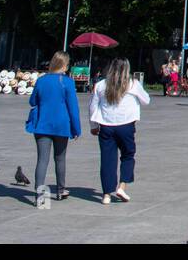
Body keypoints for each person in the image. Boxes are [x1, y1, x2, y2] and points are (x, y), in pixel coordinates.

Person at [89, 58, 150, 205]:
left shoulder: (101, 85)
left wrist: (93, 126)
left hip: (106, 127)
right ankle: (122, 186)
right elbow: (146, 100)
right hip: (126, 126)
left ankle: (106, 195)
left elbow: (93, 107)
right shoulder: (132, 84)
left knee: (107, 159)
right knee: (128, 155)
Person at [25, 52, 82, 203]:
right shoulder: (68, 82)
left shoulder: (41, 81)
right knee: (60, 159)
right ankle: (60, 191)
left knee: (42, 160)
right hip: (62, 126)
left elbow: (32, 101)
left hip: (42, 124)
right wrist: (76, 129)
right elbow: (73, 109)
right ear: (64, 65)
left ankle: (40, 196)